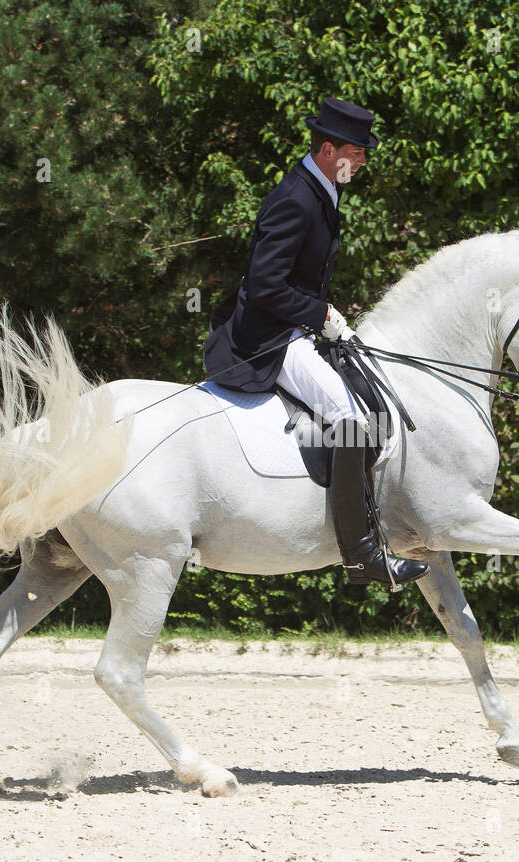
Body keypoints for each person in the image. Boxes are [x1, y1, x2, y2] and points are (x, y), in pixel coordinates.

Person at [203, 97, 428, 588]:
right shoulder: (296, 198)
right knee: (350, 420)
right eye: (357, 152)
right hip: (269, 337)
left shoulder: (323, 191)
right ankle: (361, 555)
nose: (363, 161)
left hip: (296, 329)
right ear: (329, 150)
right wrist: (320, 314)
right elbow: (265, 285)